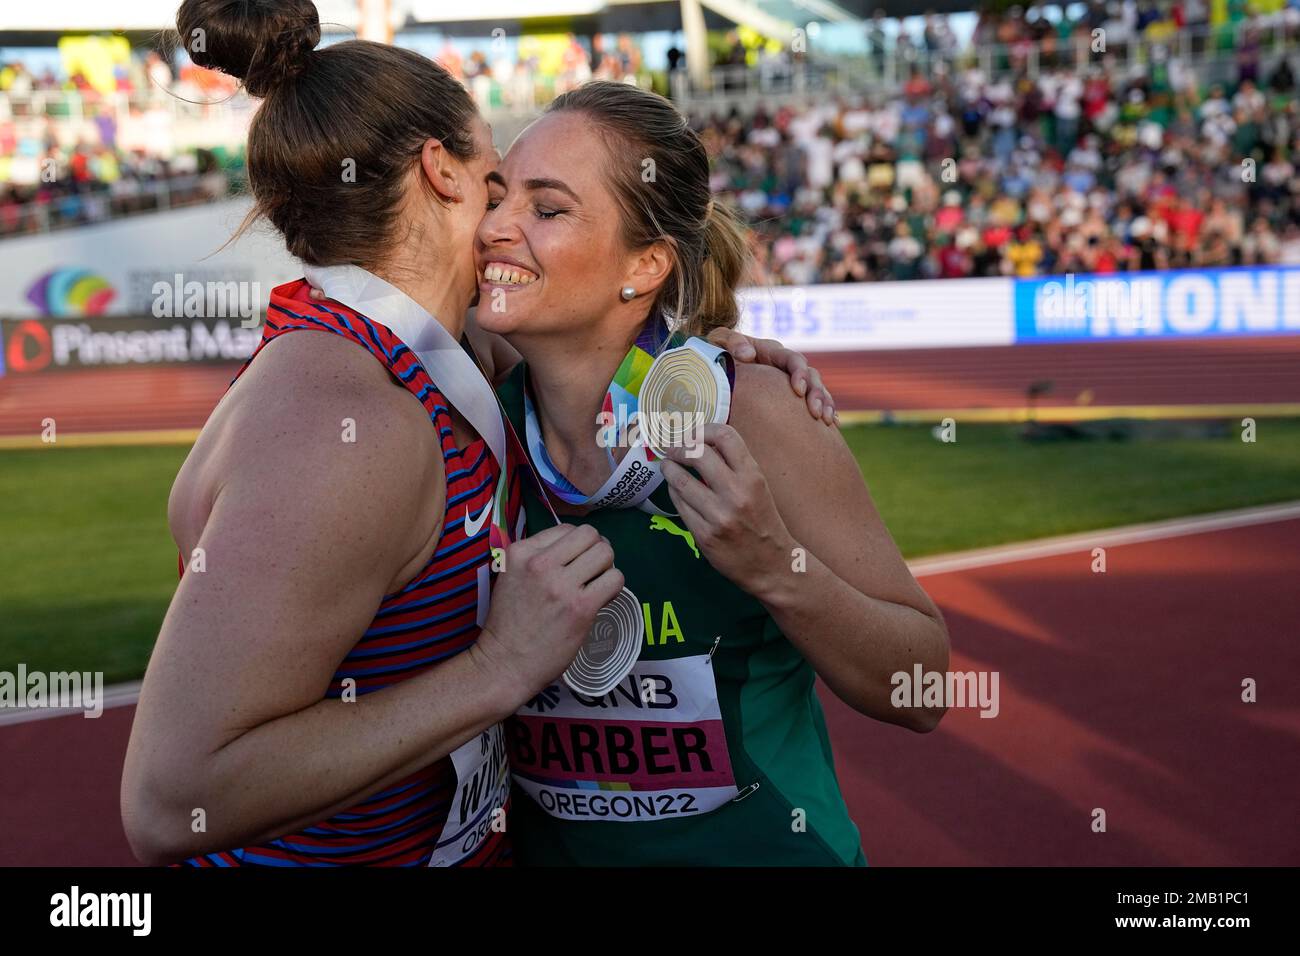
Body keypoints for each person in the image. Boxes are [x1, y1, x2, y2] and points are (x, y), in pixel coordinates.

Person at [122, 0, 831, 867]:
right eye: (497, 181)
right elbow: (172, 799)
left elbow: (599, 337)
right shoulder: (344, 416)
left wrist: (714, 358)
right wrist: (498, 670)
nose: (504, 220)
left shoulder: (421, 356)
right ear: (442, 172)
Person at [472, 82, 950, 865]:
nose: (497, 227)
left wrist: (776, 569)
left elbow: (921, 688)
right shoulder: (477, 418)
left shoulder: (748, 408)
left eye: (547, 209)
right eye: (498, 198)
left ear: (646, 264)